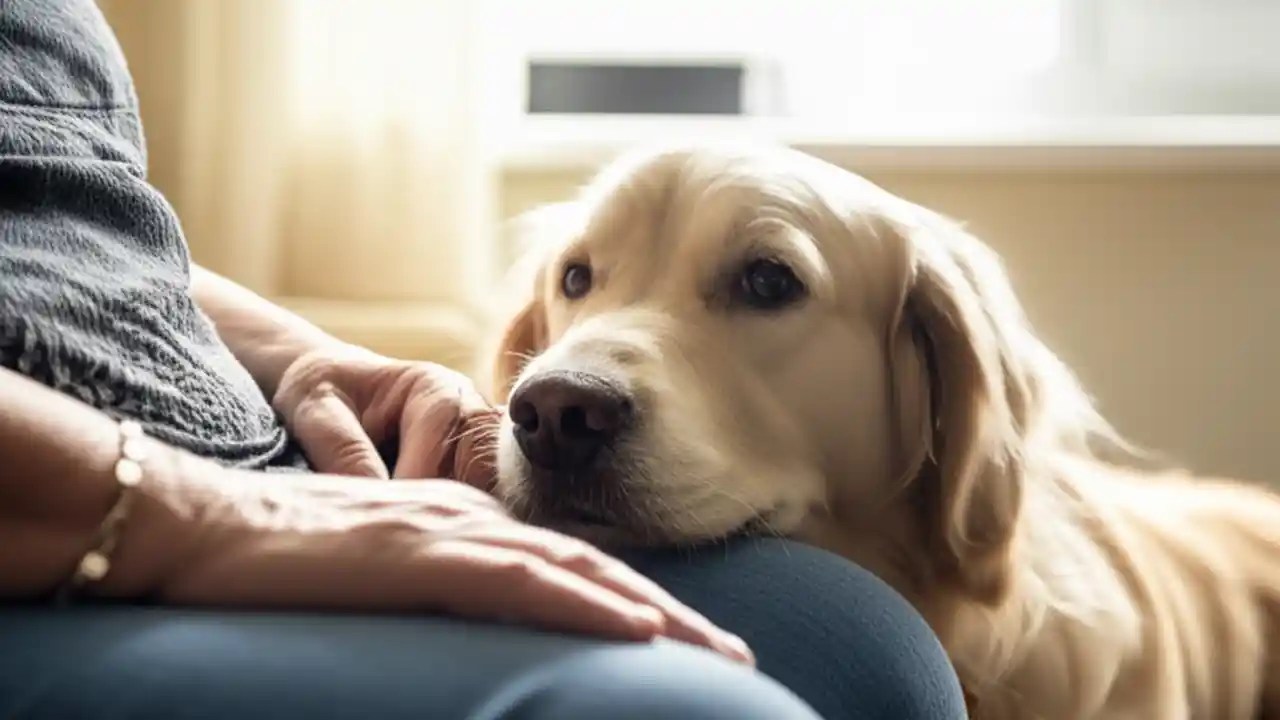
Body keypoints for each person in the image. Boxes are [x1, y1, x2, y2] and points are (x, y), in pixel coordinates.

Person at [0, 1, 967, 718]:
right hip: (65, 526)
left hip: (214, 464)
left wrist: (296, 355)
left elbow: (60, 221)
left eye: (763, 283)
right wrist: (208, 517)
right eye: (581, 277)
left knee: (877, 656)